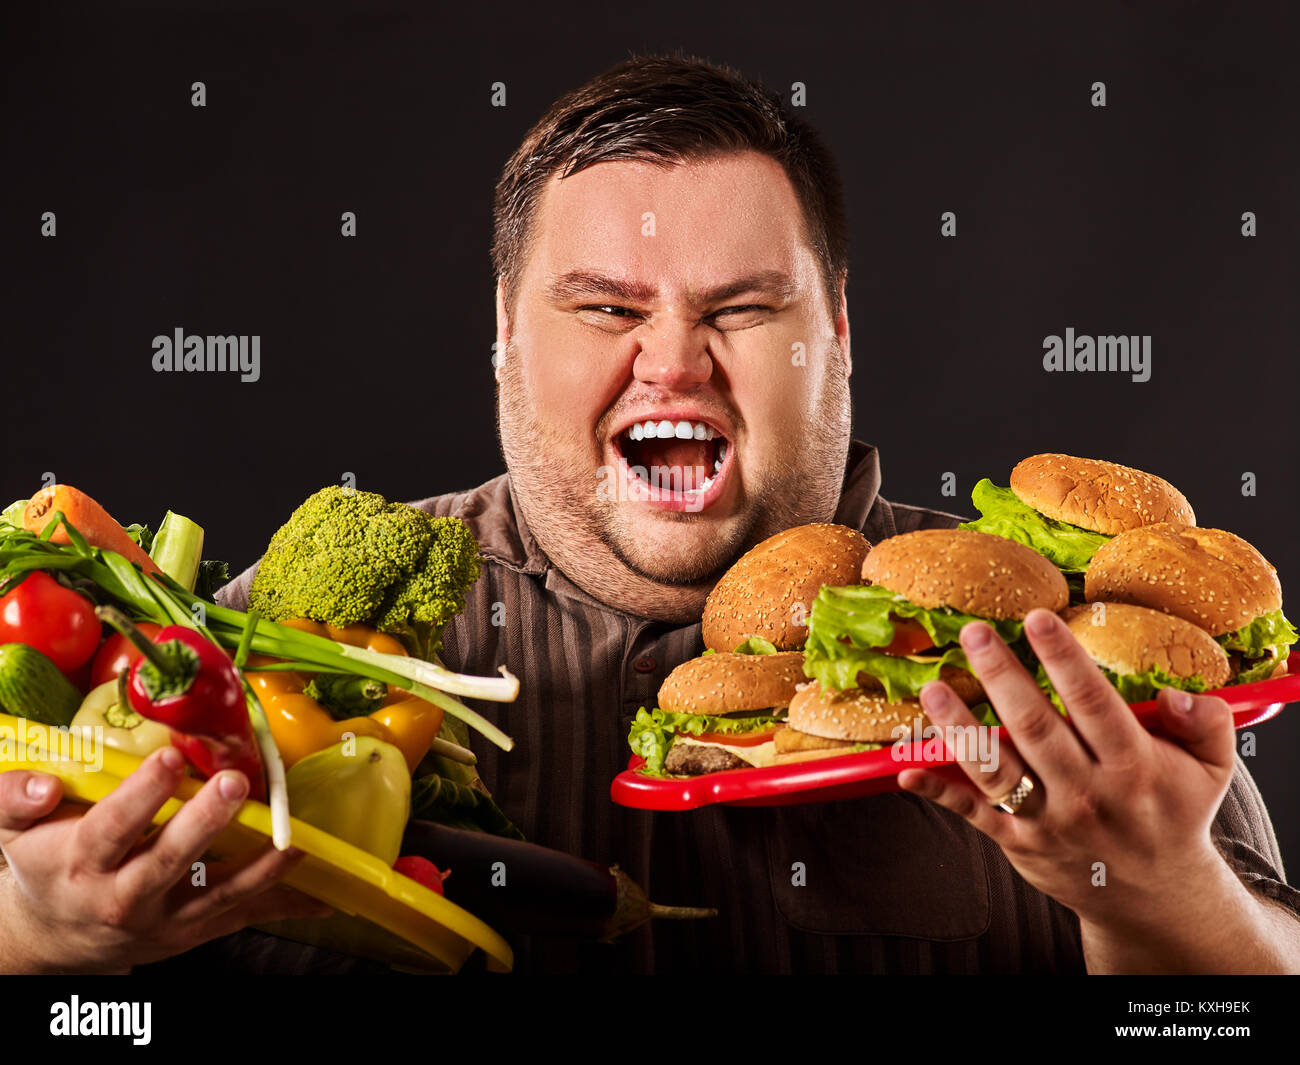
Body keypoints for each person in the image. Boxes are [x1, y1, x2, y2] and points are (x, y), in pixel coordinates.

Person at [2, 54, 1297, 975]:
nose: (673, 362)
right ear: (505, 338)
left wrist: (1157, 895)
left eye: (740, 308)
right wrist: (53, 957)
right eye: (608, 308)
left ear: (835, 336)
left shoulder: (1077, 645)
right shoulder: (242, 652)